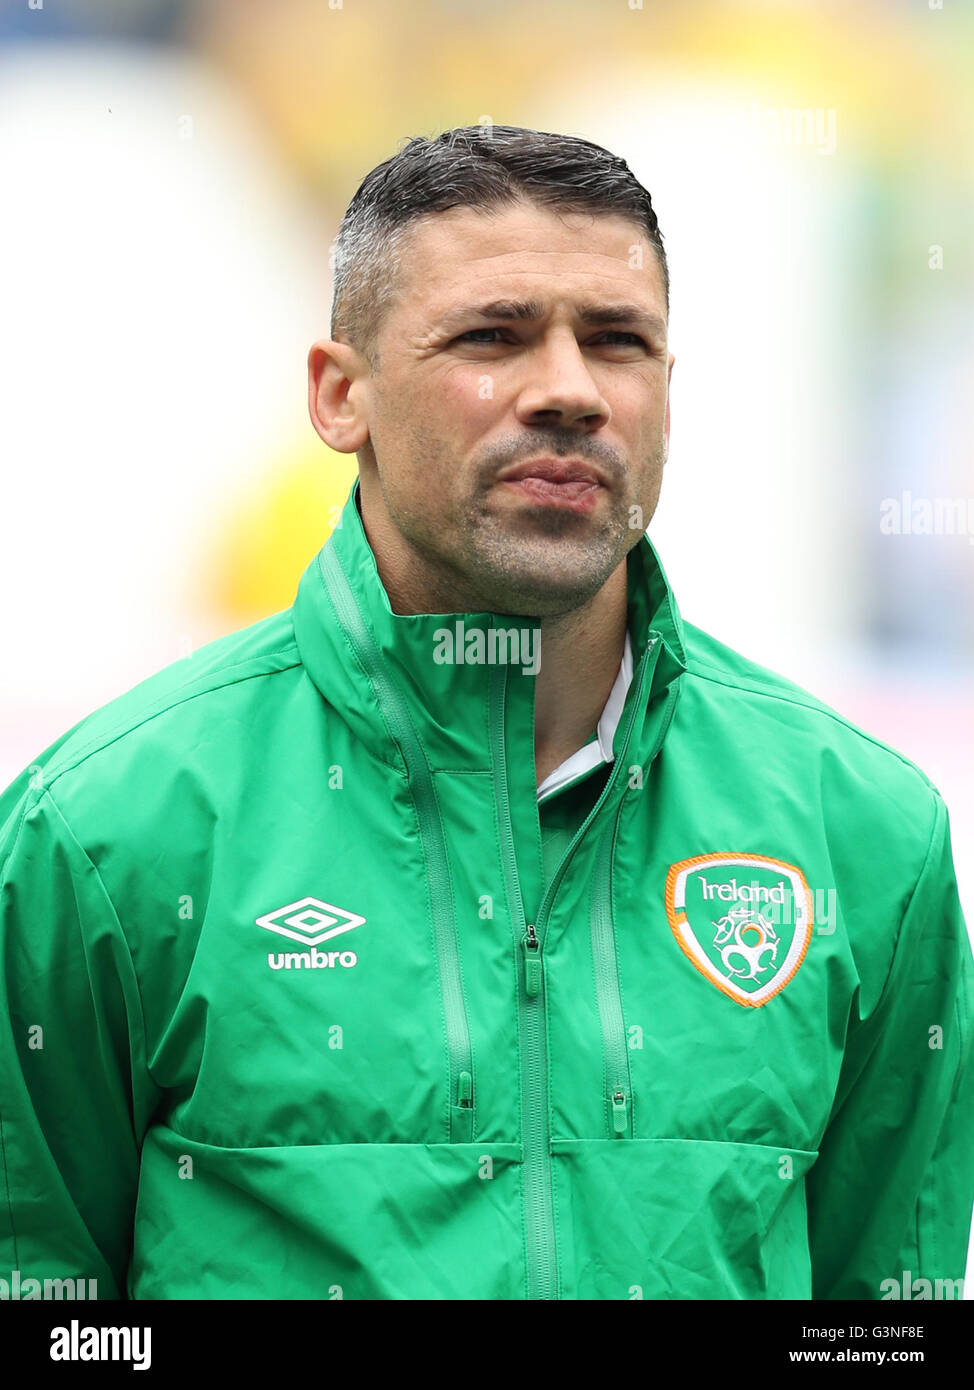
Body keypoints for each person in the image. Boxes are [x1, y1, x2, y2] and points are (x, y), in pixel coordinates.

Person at [1, 125, 971, 1303]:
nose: (566, 389)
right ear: (339, 395)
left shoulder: (861, 830)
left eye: (616, 343)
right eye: (491, 336)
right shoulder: (102, 830)